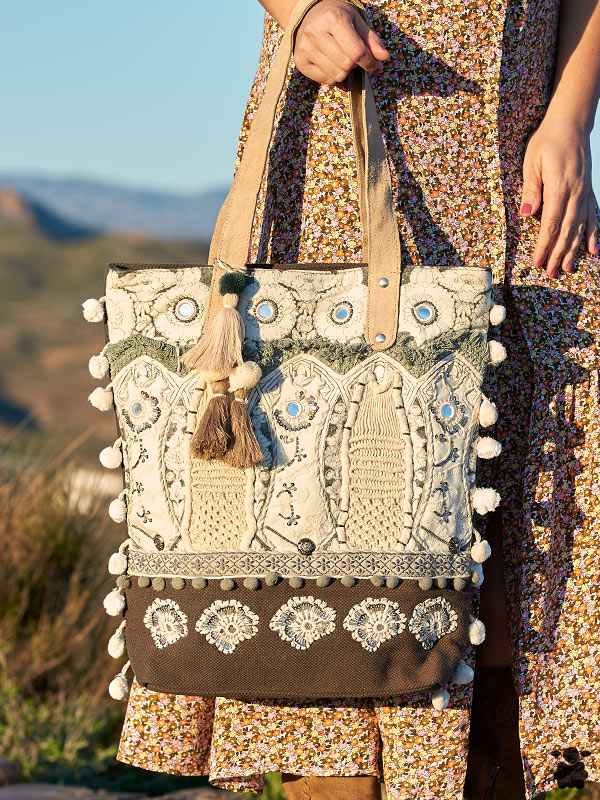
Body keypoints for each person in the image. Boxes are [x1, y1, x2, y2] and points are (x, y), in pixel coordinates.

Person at [116, 0, 600, 797]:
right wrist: (297, 7)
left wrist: (571, 119)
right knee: (318, 505)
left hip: (526, 172)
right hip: (344, 150)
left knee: (523, 559)